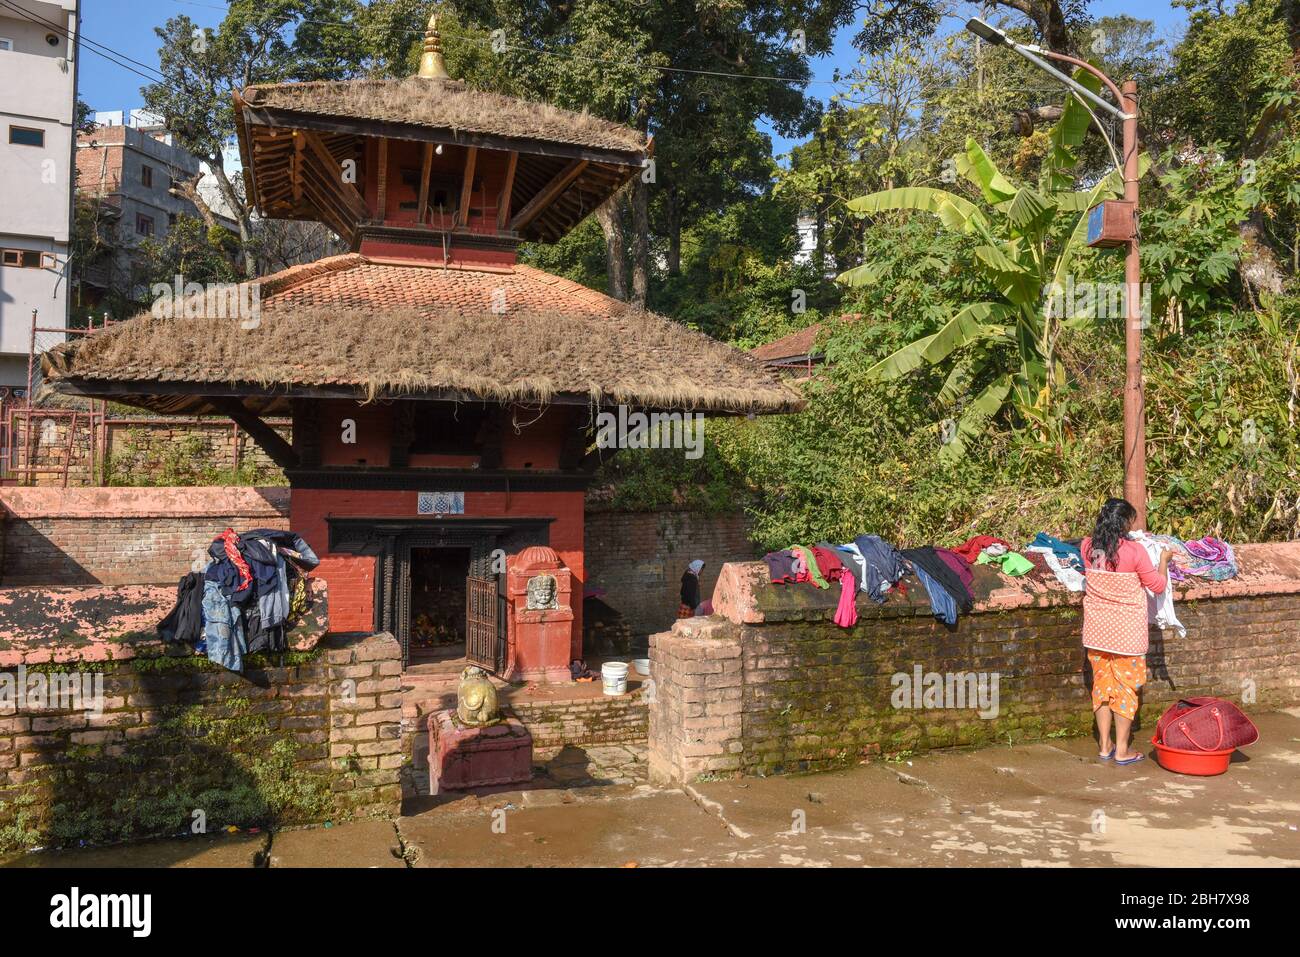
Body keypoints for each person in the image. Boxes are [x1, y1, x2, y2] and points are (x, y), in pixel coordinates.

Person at [1080, 498, 1175, 766]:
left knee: (1101, 686)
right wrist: (1164, 561)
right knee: (1125, 689)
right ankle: (1122, 749)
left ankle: (1104, 745)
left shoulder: (1088, 546)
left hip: (1097, 631)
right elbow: (1156, 586)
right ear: (1123, 523)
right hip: (1127, 635)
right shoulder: (1134, 551)